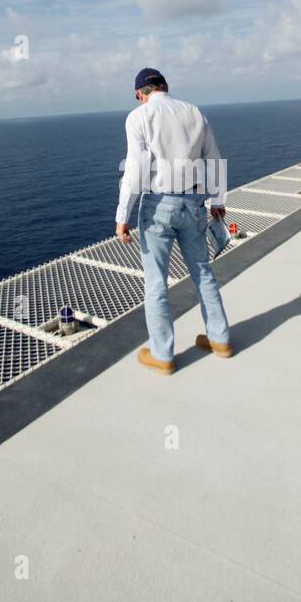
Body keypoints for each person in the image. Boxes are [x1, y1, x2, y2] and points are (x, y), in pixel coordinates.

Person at [115, 68, 232, 375]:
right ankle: (220, 340)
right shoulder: (193, 112)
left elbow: (135, 171)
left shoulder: (138, 117)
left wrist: (122, 217)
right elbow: (214, 158)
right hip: (193, 202)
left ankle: (163, 355)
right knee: (203, 272)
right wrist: (218, 202)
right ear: (165, 86)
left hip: (158, 205)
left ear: (141, 93)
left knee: (156, 282)